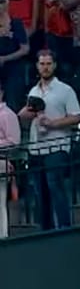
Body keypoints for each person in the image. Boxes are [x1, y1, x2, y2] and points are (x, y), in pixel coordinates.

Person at [15, 48, 77, 230]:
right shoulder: (33, 91)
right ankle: (45, 230)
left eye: (49, 64)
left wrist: (53, 124)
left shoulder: (65, 90)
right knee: (40, 192)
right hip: (36, 147)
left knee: (55, 186)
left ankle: (64, 228)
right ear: (37, 66)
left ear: (55, 65)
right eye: (42, 64)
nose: (45, 67)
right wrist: (25, 115)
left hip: (57, 145)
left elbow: (76, 117)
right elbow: (26, 118)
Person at [0, 97, 17, 239]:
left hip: (1, 161)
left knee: (0, 202)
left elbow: (13, 141)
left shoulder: (7, 114)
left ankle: (2, 236)